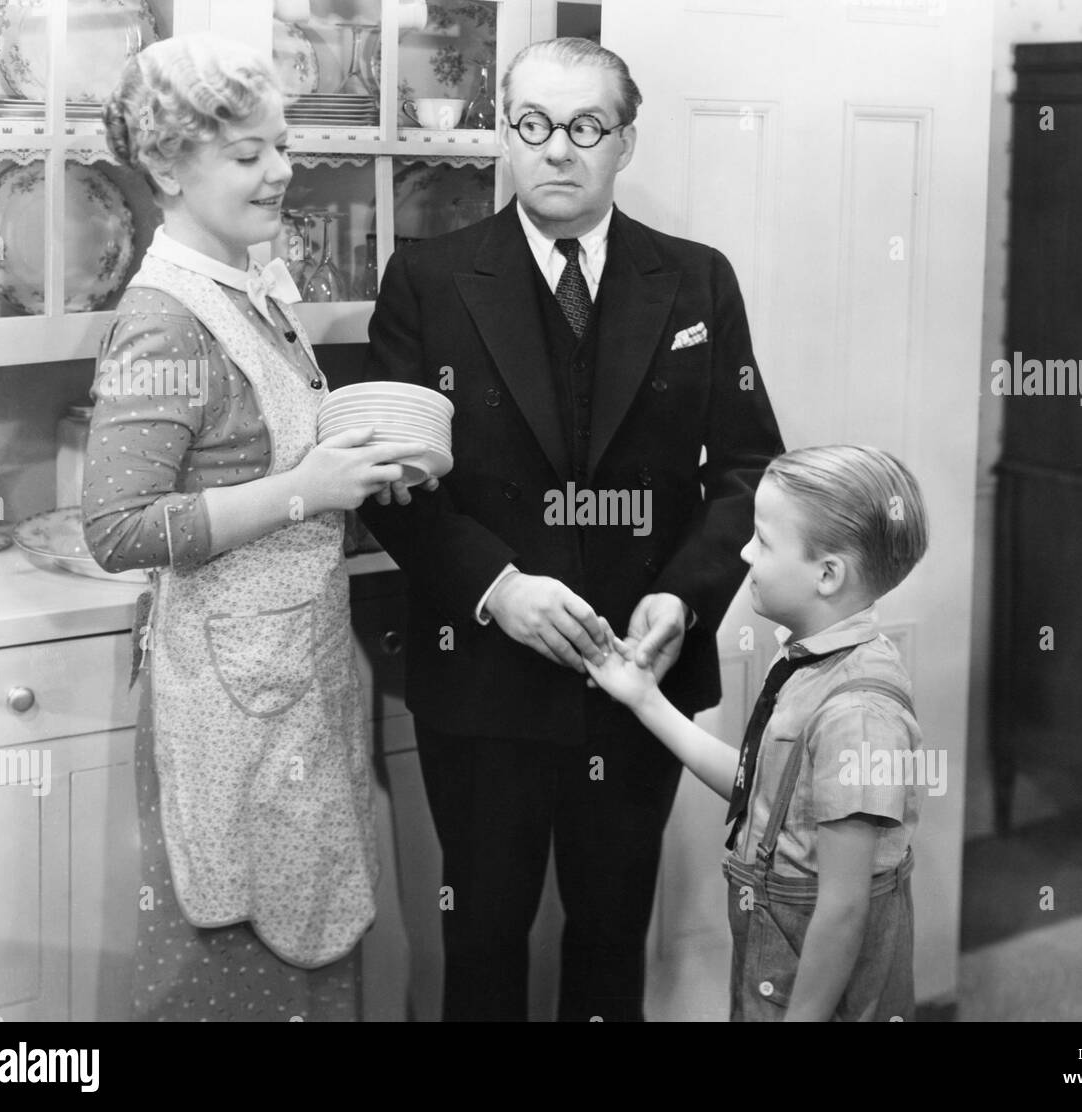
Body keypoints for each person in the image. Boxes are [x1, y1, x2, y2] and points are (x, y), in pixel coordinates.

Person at [358, 37, 785, 1021]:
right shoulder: (426, 278)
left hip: (637, 680)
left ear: (623, 141)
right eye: (535, 125)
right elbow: (389, 481)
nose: (559, 150)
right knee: (482, 938)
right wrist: (496, 587)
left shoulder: (695, 280)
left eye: (586, 127)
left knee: (609, 936)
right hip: (480, 677)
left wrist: (685, 591)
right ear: (505, 135)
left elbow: (748, 467)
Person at [86, 34, 427, 1021]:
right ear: (165, 168)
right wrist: (307, 489)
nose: (280, 170)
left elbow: (251, 451)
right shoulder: (166, 316)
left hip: (285, 678)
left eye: (281, 146)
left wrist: (350, 464)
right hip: (233, 702)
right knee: (236, 967)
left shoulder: (245, 281)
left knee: (306, 937)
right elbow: (115, 527)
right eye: (246, 155)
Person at [585, 445, 929, 1021]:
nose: (744, 551)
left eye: (764, 541)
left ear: (827, 574)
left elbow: (843, 910)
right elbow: (760, 795)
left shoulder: (859, 715)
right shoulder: (808, 663)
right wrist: (644, 697)